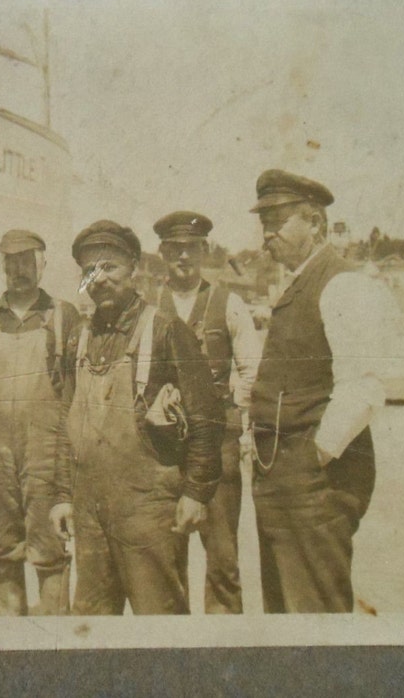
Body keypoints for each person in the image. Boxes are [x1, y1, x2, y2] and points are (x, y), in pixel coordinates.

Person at [248, 168, 404, 613]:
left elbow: (365, 386)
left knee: (315, 615)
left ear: (315, 222)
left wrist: (315, 455)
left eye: (278, 221)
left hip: (313, 486)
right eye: (263, 223)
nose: (267, 234)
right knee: (286, 616)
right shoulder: (296, 281)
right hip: (282, 482)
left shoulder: (342, 283)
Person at [50, 220, 221, 615]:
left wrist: (196, 492)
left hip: (148, 510)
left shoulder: (164, 330)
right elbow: (66, 421)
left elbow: (207, 418)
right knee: (92, 621)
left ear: (134, 269)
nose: (100, 279)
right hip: (89, 508)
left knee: (160, 623)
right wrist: (62, 496)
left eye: (109, 267)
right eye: (90, 271)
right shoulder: (79, 337)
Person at [0, 229, 81, 615]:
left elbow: (74, 394)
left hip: (45, 451)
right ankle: (12, 644)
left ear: (43, 264)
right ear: (2, 267)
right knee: (1, 550)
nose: (20, 269)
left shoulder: (63, 316)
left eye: (28, 261)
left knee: (50, 550)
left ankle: (53, 649)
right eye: (13, 262)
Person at [152, 211, 262, 614]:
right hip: (165, 447)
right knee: (167, 557)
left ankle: (224, 637)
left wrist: (237, 419)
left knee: (223, 559)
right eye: (175, 249)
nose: (184, 257)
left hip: (218, 445)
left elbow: (252, 368)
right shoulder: (150, 307)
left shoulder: (227, 303)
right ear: (163, 253)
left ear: (204, 251)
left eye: (192, 249)